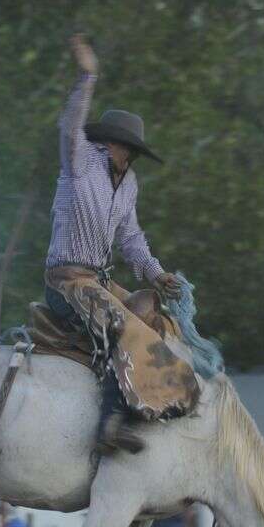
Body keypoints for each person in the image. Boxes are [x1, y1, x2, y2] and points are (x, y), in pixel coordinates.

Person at [42, 33, 195, 455]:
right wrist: (87, 76)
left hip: (98, 280)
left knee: (150, 307)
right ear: (112, 144)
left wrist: (156, 272)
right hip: (65, 283)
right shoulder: (80, 160)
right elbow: (69, 124)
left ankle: (153, 401)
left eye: (126, 148)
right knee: (118, 323)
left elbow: (130, 237)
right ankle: (110, 422)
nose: (123, 153)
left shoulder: (128, 185)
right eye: (121, 145)